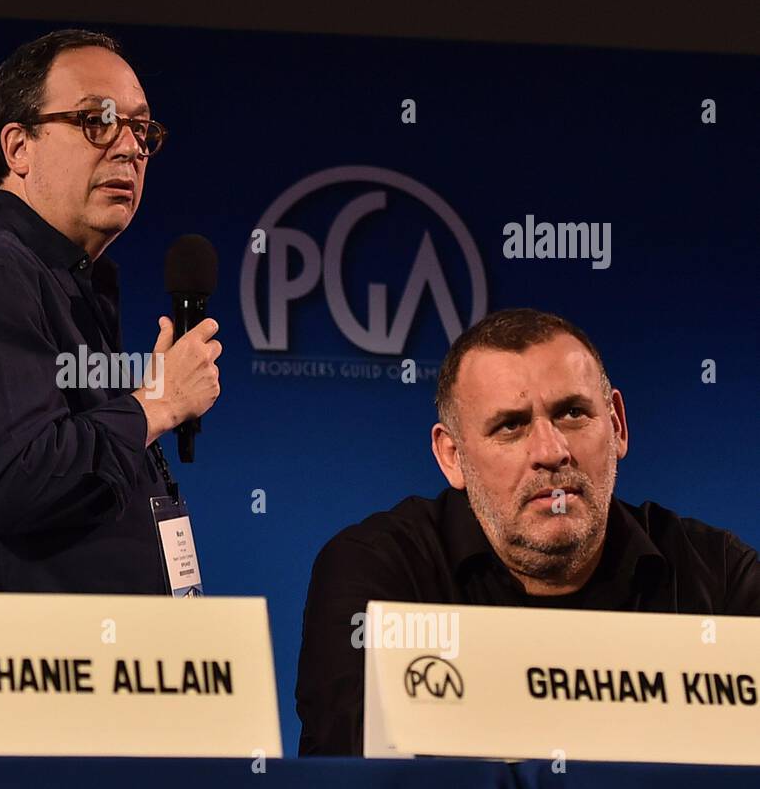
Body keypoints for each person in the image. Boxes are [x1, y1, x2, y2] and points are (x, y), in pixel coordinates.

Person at [296, 308, 760, 755]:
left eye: (573, 413)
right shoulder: (377, 572)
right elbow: (358, 781)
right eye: (511, 426)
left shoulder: (718, 575)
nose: (551, 450)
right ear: (452, 456)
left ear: (617, 425)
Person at [0, 29, 221, 593]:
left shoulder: (68, 281)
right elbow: (20, 480)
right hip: (19, 667)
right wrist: (157, 404)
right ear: (19, 147)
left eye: (140, 129)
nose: (128, 148)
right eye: (97, 121)